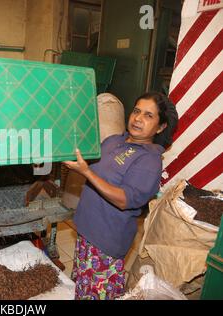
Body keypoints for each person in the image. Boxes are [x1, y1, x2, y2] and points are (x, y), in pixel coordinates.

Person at [63, 92, 178, 300]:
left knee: (96, 294)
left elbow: (124, 199)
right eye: (136, 111)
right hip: (87, 232)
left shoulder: (149, 160)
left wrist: (85, 172)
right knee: (82, 288)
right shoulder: (115, 140)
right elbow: (91, 161)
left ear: (160, 127)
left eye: (148, 116)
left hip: (106, 242)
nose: (138, 118)